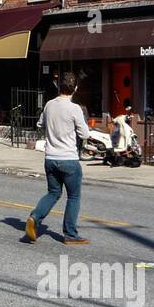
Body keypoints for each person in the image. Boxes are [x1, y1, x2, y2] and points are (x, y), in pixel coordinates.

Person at [25, 71, 91, 245]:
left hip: (50, 157)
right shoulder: (74, 109)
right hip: (68, 158)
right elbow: (84, 133)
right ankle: (70, 234)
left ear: (58, 87)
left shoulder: (49, 105)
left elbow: (40, 124)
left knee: (53, 193)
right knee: (74, 196)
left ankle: (35, 217)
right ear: (75, 88)